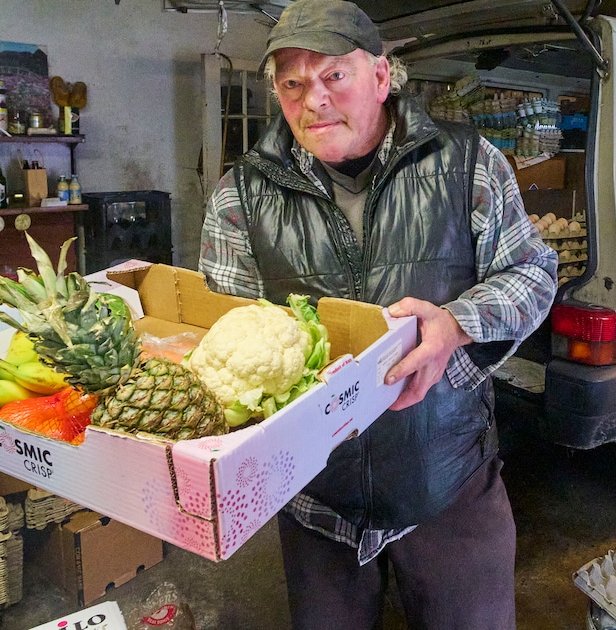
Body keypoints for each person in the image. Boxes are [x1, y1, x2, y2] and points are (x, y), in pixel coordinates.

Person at [199, 1, 558, 627]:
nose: (313, 100)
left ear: (382, 77)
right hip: (316, 500)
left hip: (448, 483)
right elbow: (221, 335)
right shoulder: (241, 196)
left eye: (333, 75)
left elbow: (532, 273)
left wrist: (457, 322)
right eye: (293, 83)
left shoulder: (469, 164)